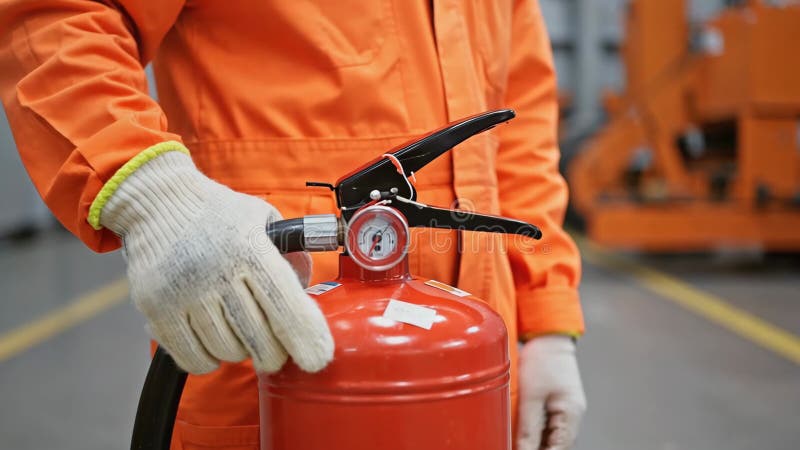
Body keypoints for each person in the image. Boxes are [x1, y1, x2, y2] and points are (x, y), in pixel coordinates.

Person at [0, 1, 586, 449]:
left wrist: (545, 323)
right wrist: (153, 193)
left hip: (479, 371)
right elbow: (55, 17)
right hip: (269, 344)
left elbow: (518, 119)